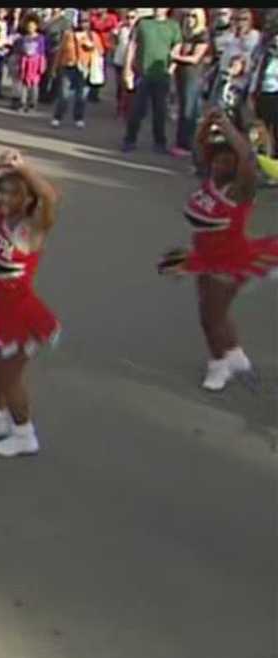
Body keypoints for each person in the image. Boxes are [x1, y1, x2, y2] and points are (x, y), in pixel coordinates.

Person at [157, 110, 278, 390]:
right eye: (217, 160)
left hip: (228, 260)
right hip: (205, 256)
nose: (218, 165)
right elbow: (200, 146)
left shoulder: (239, 190)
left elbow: (247, 157)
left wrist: (228, 128)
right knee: (215, 312)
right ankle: (235, 355)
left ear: (236, 167)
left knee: (211, 318)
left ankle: (219, 364)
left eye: (226, 162)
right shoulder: (212, 179)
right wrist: (208, 123)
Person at [0, 149, 61, 458]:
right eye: (2, 191)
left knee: (9, 377)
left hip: (21, 312)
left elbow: (50, 197)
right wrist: (1, 164)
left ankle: (24, 434)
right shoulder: (3, 216)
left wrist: (24, 169)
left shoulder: (32, 227)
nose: (4, 198)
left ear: (27, 198)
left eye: (12, 193)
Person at [121, 8, 182, 153]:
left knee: (159, 111)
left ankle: (160, 142)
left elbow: (176, 49)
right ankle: (130, 140)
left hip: (162, 74)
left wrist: (170, 70)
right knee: (136, 109)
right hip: (143, 74)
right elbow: (132, 45)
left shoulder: (173, 26)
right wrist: (127, 68)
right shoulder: (143, 23)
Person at [171, 10, 211, 157]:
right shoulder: (184, 34)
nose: (190, 19)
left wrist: (175, 56)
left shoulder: (202, 35)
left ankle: (187, 144)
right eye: (187, 16)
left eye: (194, 16)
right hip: (181, 74)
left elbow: (195, 58)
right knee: (183, 108)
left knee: (190, 110)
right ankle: (181, 142)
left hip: (194, 75)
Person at [50, 14, 101, 129]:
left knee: (81, 96)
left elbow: (100, 52)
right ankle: (57, 117)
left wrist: (92, 47)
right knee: (64, 95)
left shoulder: (92, 36)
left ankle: (78, 118)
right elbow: (60, 51)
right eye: (81, 21)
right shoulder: (68, 35)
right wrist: (54, 68)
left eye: (86, 21)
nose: (83, 24)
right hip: (68, 67)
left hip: (84, 69)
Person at [13, 14, 48, 113]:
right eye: (29, 26)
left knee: (34, 85)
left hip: (35, 63)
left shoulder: (40, 38)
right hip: (25, 63)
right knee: (24, 84)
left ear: (36, 26)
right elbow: (19, 51)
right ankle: (22, 103)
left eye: (32, 26)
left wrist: (42, 64)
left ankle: (32, 104)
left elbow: (42, 52)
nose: (30, 28)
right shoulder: (23, 38)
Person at [87, 8, 120, 103]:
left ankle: (95, 92)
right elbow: (95, 27)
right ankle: (92, 93)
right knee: (94, 70)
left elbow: (116, 30)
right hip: (96, 46)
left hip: (108, 47)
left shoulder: (112, 17)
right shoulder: (94, 17)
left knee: (102, 70)